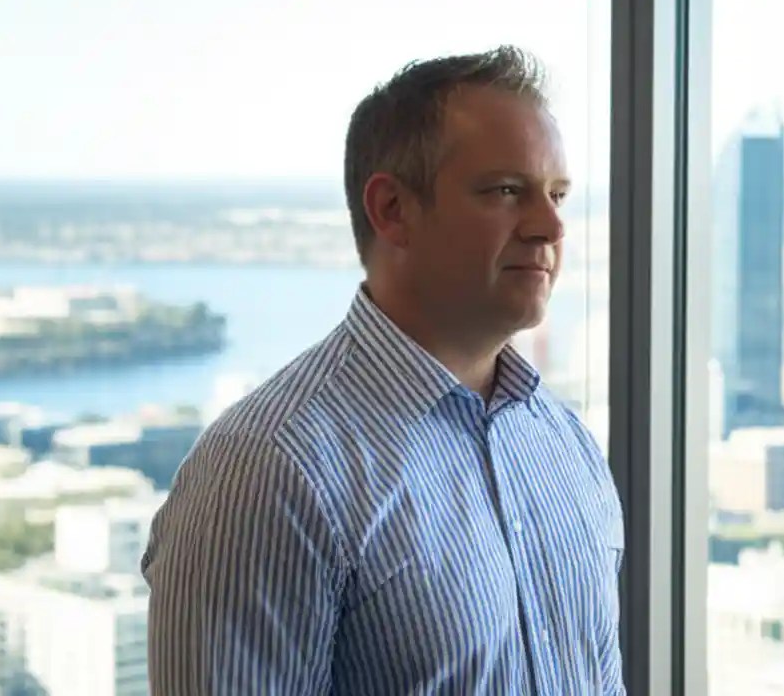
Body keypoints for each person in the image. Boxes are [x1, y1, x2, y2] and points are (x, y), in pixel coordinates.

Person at [141, 46, 625, 695]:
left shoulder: (565, 445)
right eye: (506, 191)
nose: (550, 227)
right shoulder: (268, 468)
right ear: (393, 210)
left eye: (557, 194)